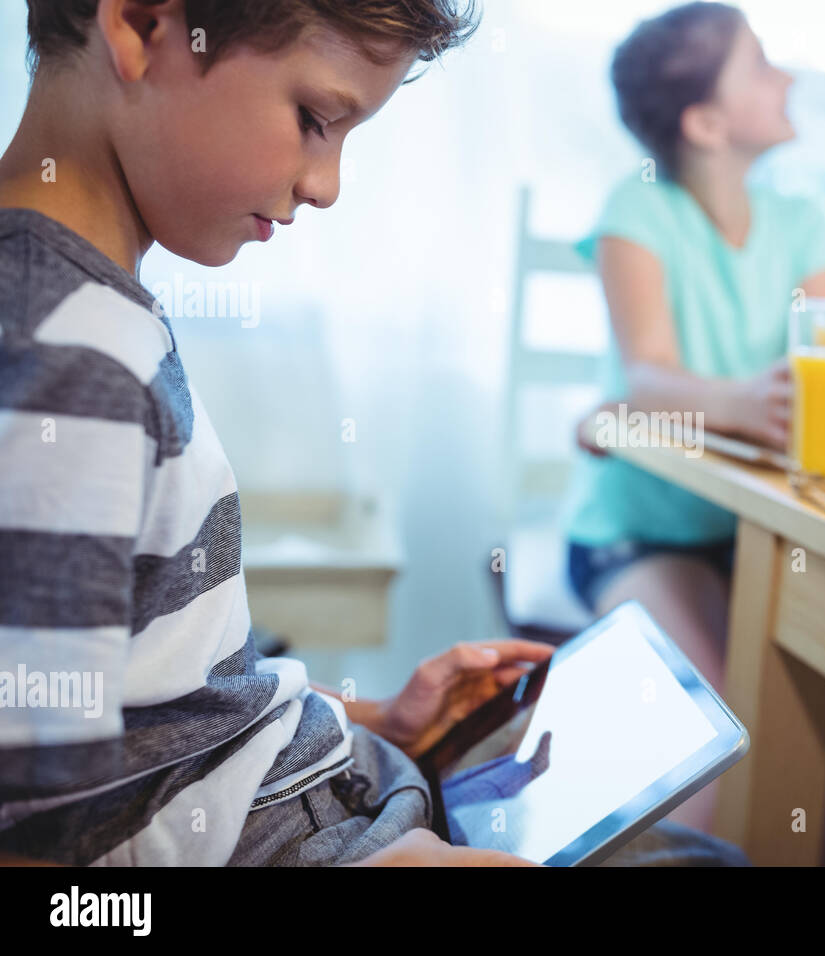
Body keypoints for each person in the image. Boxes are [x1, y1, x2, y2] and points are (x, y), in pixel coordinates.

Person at [0, 0, 745, 868]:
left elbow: (163, 707)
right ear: (138, 24)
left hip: (328, 781)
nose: (326, 184)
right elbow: (40, 849)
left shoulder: (90, 314)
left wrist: (374, 718)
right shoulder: (66, 355)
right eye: (315, 120)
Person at [561, 2, 825, 859]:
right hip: (642, 532)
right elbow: (650, 376)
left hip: (759, 538)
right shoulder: (637, 212)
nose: (789, 78)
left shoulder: (800, 222)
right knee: (711, 715)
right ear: (706, 121)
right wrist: (741, 403)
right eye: (762, 66)